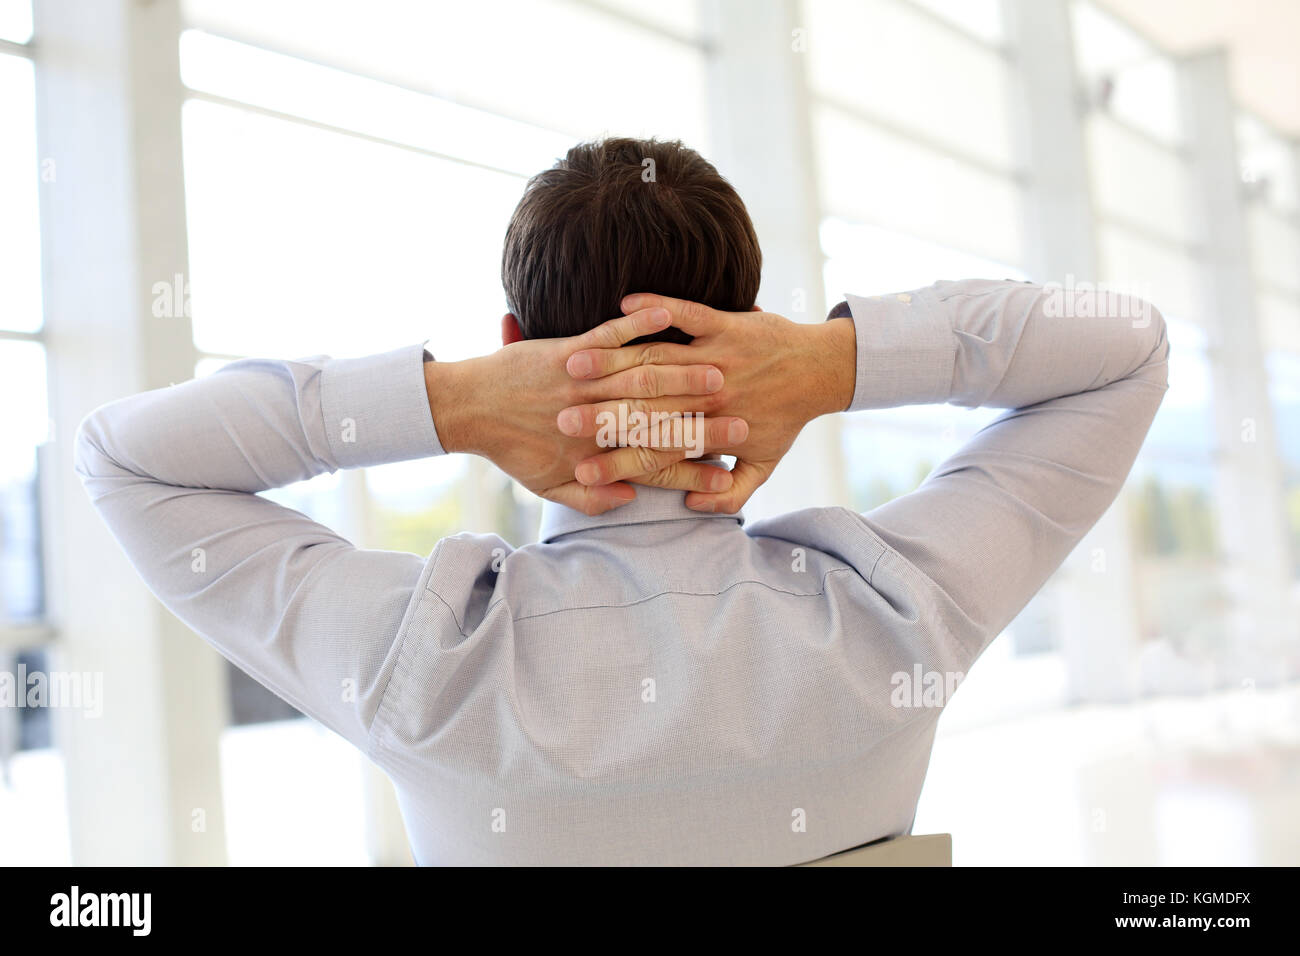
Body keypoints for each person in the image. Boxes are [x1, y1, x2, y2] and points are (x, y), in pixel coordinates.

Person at [76, 138, 1168, 865]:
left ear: (514, 349)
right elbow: (1125, 351)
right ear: (752, 331)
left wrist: (446, 400)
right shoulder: (891, 620)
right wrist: (835, 361)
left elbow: (126, 459)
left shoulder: (428, 667)